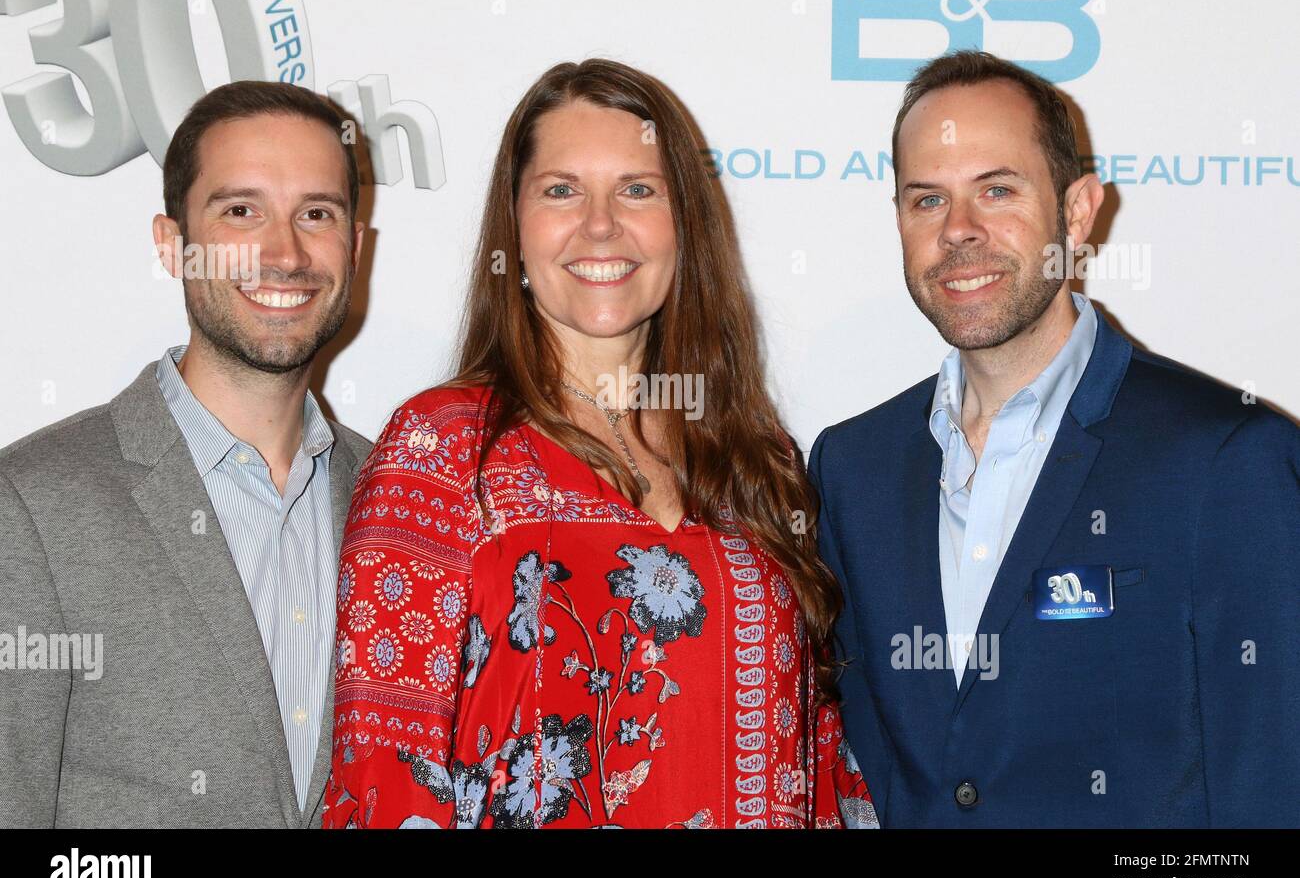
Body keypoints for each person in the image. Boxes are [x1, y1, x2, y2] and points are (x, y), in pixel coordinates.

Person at [323, 58, 873, 829]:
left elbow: (821, 761)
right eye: (560, 190)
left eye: (638, 189)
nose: (601, 224)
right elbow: (382, 778)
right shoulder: (440, 449)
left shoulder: (761, 460)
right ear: (513, 228)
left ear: (686, 222)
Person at [811, 50, 1300, 827]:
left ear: (1077, 212)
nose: (959, 232)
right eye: (927, 200)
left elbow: (1273, 785)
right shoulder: (852, 467)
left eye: (996, 190)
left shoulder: (1226, 459)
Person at [0, 81, 372, 827]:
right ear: (173, 245)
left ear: (355, 248)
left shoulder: (396, 496)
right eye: (241, 210)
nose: (284, 251)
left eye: (317, 214)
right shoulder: (32, 506)